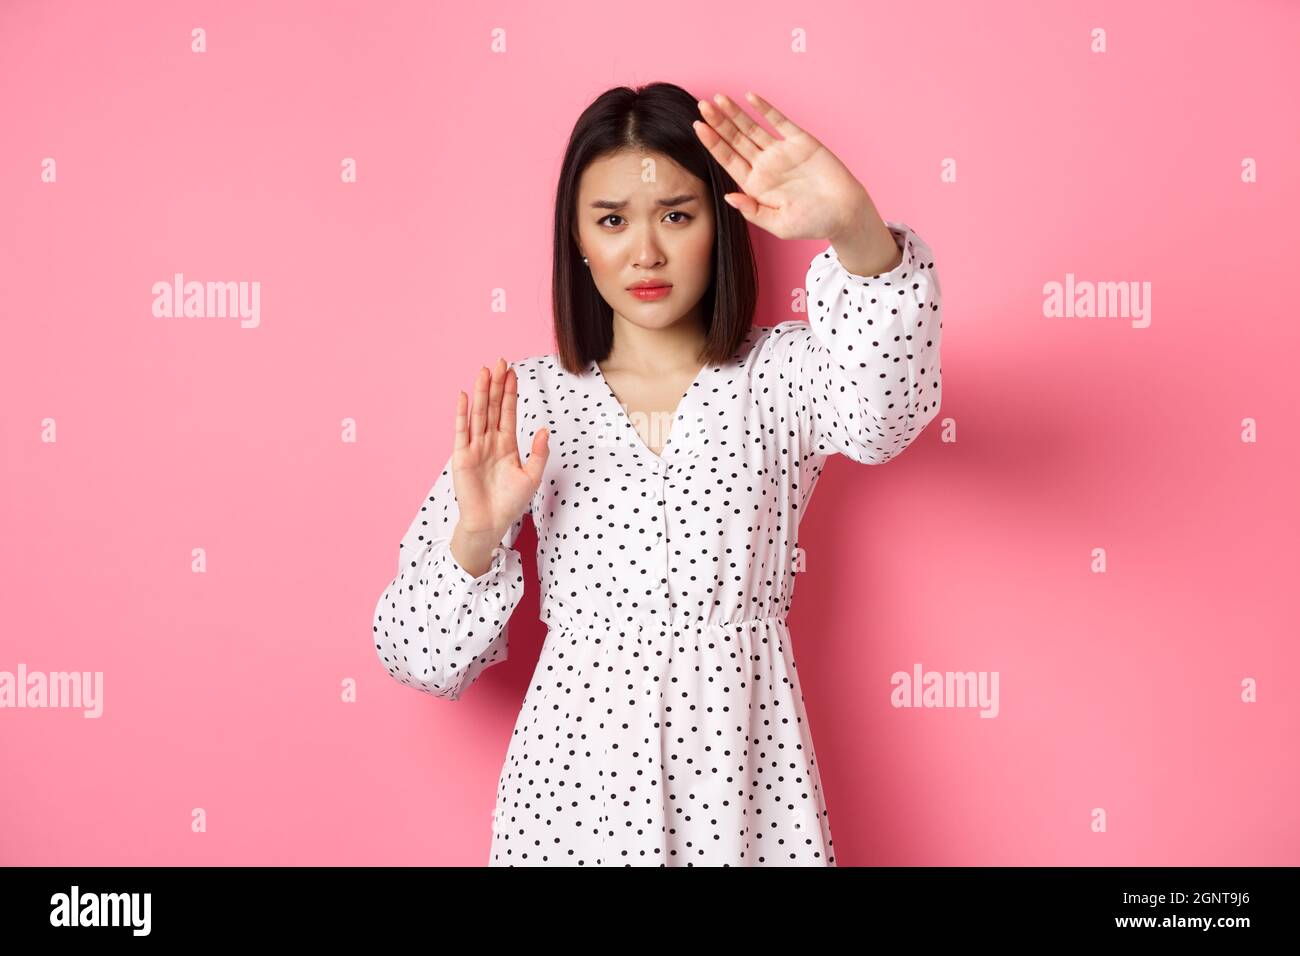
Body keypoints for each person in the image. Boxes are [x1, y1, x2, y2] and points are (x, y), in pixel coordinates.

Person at [372, 82, 943, 866]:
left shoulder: (779, 376)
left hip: (744, 785)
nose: (646, 253)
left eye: (677, 215)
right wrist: (477, 532)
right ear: (576, 237)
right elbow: (419, 657)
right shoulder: (531, 401)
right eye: (612, 220)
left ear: (723, 222)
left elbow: (889, 419)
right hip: (570, 804)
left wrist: (855, 228)